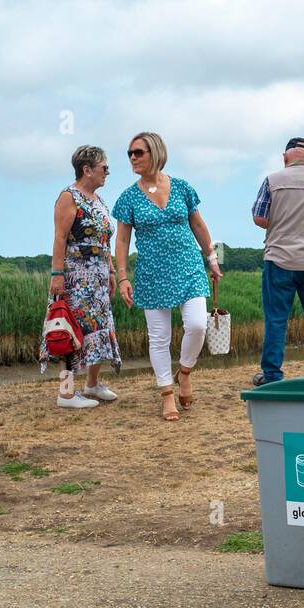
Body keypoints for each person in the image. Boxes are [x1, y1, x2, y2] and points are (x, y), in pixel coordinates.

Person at [112, 132, 222, 422]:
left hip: (188, 267)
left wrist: (211, 258)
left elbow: (198, 225)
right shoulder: (128, 198)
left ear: (156, 153)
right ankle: (167, 394)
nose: (133, 158)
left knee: (197, 325)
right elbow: (122, 241)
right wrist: (122, 277)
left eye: (139, 152)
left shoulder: (183, 187)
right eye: (130, 154)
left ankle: (184, 372)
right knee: (159, 338)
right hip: (152, 273)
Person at [250, 136, 304, 386]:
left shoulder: (273, 180)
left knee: (276, 319)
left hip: (279, 258)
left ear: (285, 157)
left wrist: (281, 223)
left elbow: (258, 216)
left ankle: (272, 376)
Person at [39, 145, 122, 409]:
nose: (108, 172)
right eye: (104, 167)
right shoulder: (69, 197)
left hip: (98, 278)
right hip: (75, 276)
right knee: (69, 330)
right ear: (87, 169)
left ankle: (92, 384)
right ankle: (65, 394)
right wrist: (57, 274)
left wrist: (110, 271)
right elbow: (60, 238)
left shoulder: (98, 200)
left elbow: (105, 241)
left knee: (98, 328)